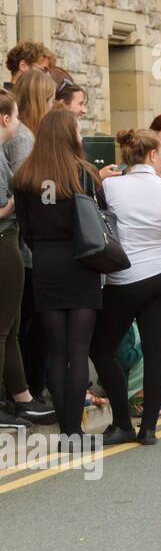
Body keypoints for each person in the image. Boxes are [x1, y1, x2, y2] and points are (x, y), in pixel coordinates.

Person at [12, 109, 107, 440]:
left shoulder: (24, 177)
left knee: (56, 350)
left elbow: (24, 228)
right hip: (82, 261)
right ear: (68, 135)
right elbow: (101, 218)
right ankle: (75, 434)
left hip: (45, 263)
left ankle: (65, 430)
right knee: (78, 350)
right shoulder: (84, 174)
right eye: (78, 129)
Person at [86, 129, 161, 446]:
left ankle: (123, 423)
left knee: (101, 349)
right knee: (155, 350)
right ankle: (150, 429)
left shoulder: (110, 186)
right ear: (153, 155)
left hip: (124, 279)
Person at [0, 91, 55, 429]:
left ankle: (22, 398)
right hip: (4, 238)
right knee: (2, 329)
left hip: (10, 241)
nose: (19, 124)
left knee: (11, 328)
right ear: (5, 118)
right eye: (17, 117)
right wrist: (14, 204)